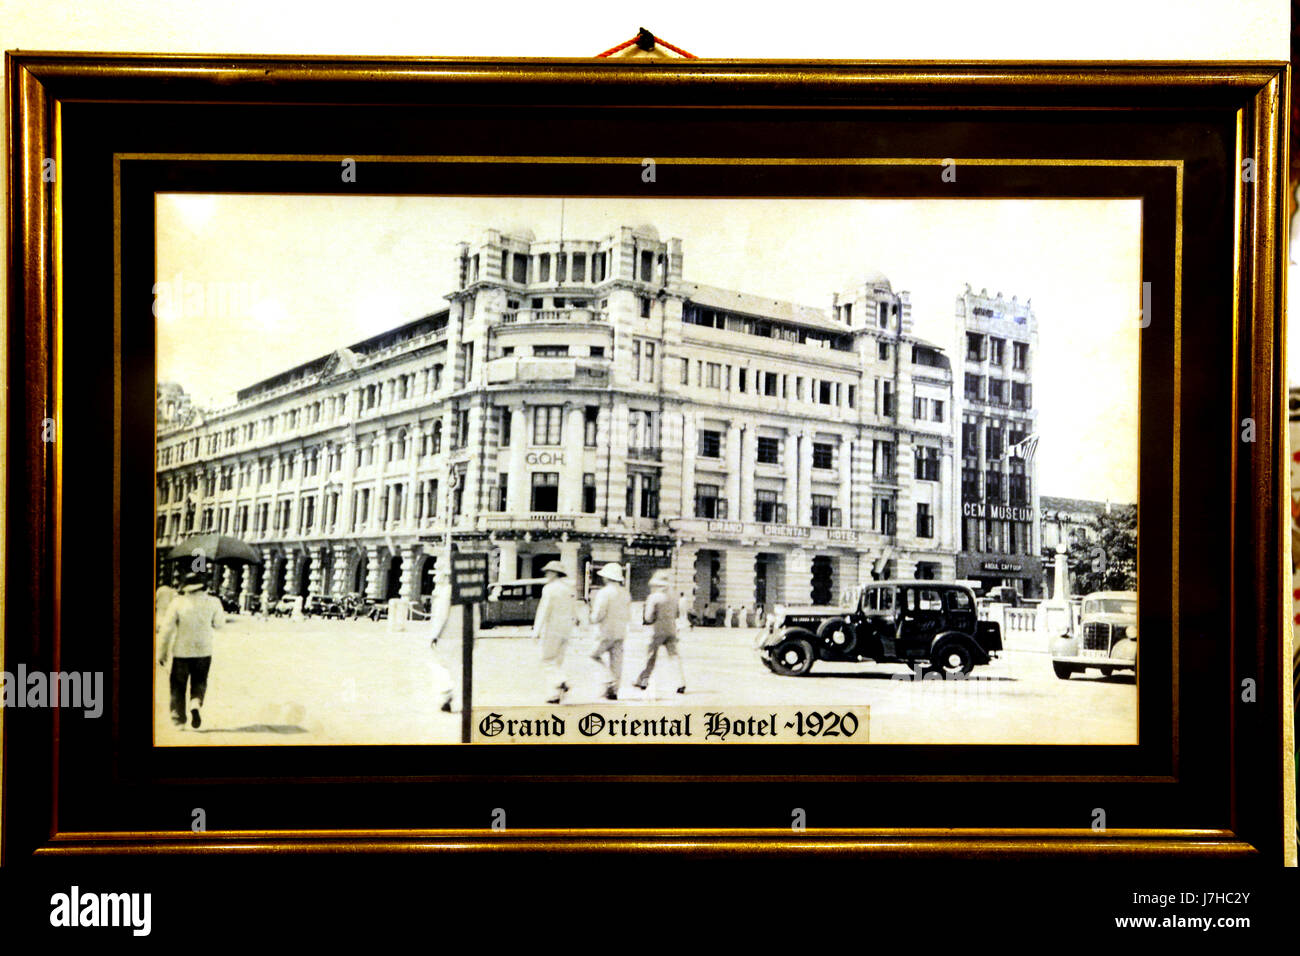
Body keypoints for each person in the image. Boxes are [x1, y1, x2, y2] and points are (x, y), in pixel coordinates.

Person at [157, 572, 224, 730]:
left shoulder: (178, 602)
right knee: (200, 681)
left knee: (178, 685)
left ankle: (179, 720)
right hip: (204, 651)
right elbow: (220, 624)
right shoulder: (213, 602)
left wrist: (162, 652)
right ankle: (195, 703)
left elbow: (167, 629)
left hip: (182, 651)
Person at [633, 569, 685, 694]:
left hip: (656, 630)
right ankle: (681, 682)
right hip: (671, 629)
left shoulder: (654, 597)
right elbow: (678, 614)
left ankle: (644, 680)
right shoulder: (674, 597)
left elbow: (648, 617)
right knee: (674, 656)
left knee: (651, 656)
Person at [532, 560, 577, 704]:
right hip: (566, 628)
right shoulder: (570, 589)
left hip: (552, 628)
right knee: (557, 662)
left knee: (546, 660)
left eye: (548, 572)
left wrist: (536, 630)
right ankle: (555, 694)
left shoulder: (549, 588)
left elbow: (544, 609)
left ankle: (561, 681)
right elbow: (574, 609)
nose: (546, 574)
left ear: (554, 573)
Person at [589, 562, 630, 700]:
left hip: (605, 632)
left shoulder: (604, 593)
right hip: (620, 632)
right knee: (617, 662)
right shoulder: (625, 594)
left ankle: (608, 679)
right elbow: (628, 614)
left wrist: (592, 618)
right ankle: (613, 691)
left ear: (607, 578)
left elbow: (598, 615)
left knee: (593, 656)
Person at [426, 565, 459, 712]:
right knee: (458, 667)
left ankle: (447, 695)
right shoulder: (466, 591)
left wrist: (434, 635)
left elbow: (441, 616)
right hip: (463, 636)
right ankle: (454, 693)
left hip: (446, 636)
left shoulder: (447, 592)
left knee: (441, 666)